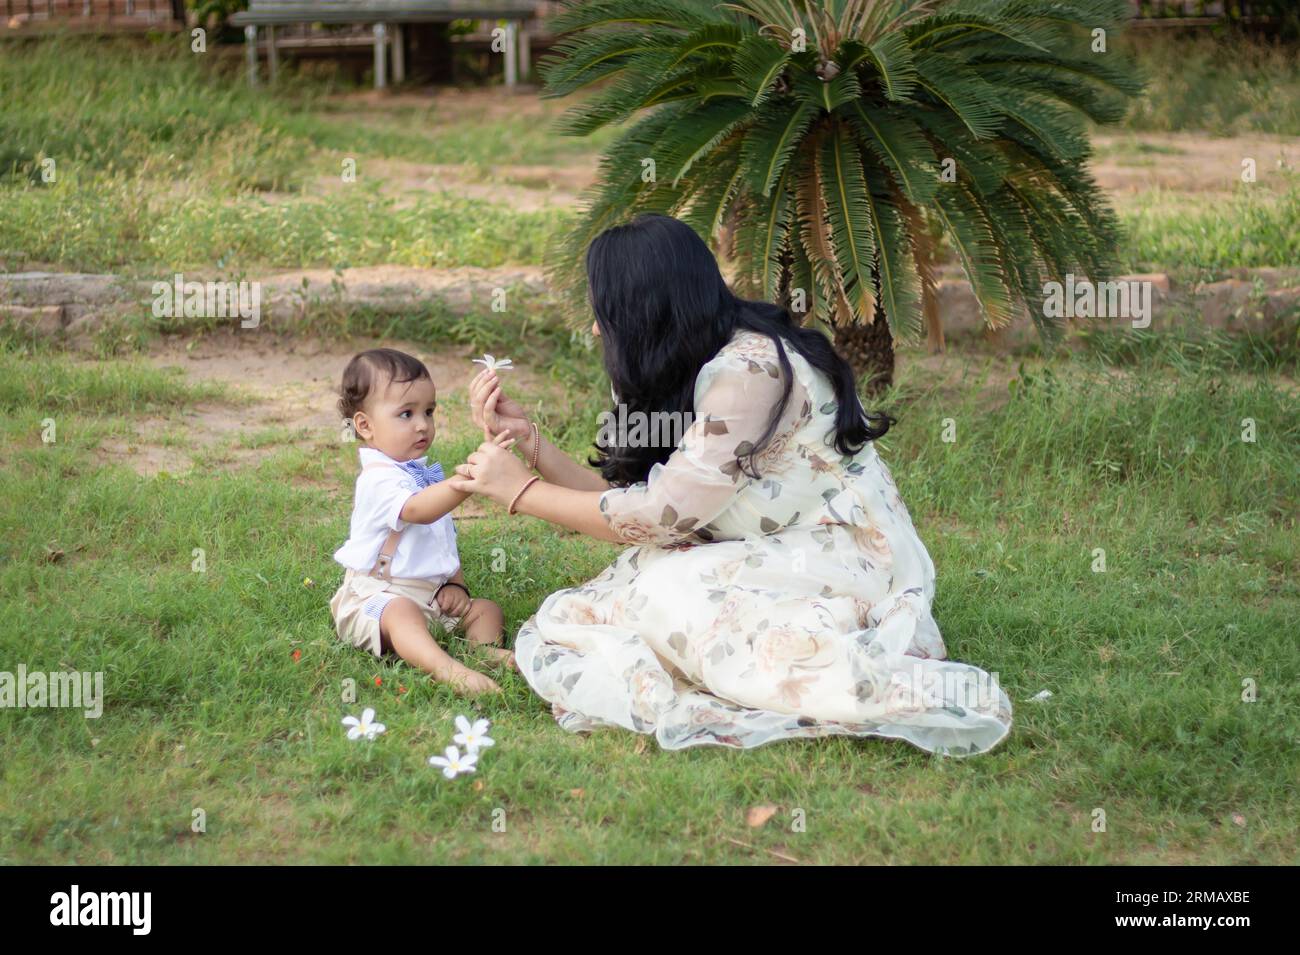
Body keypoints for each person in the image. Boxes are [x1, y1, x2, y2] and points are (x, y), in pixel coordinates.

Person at [448, 214, 1013, 754]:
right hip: (769, 544)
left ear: (645, 311)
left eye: (606, 312)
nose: (597, 327)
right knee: (625, 597)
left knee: (662, 596)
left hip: (839, 555)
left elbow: (662, 517)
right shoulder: (700, 351)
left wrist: (520, 492)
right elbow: (637, 504)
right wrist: (531, 442)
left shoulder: (749, 371)